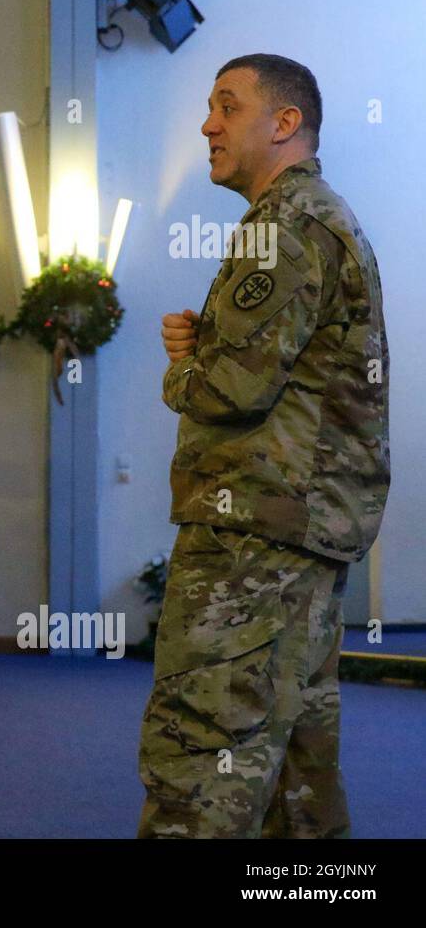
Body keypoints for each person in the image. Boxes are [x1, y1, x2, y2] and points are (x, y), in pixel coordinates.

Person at [144, 54, 390, 839]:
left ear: (285, 124)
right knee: (294, 773)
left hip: (252, 539)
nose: (208, 125)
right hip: (292, 534)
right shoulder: (311, 218)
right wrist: (209, 347)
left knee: (202, 754)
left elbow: (230, 392)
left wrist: (185, 368)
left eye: (227, 106)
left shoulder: (284, 228)